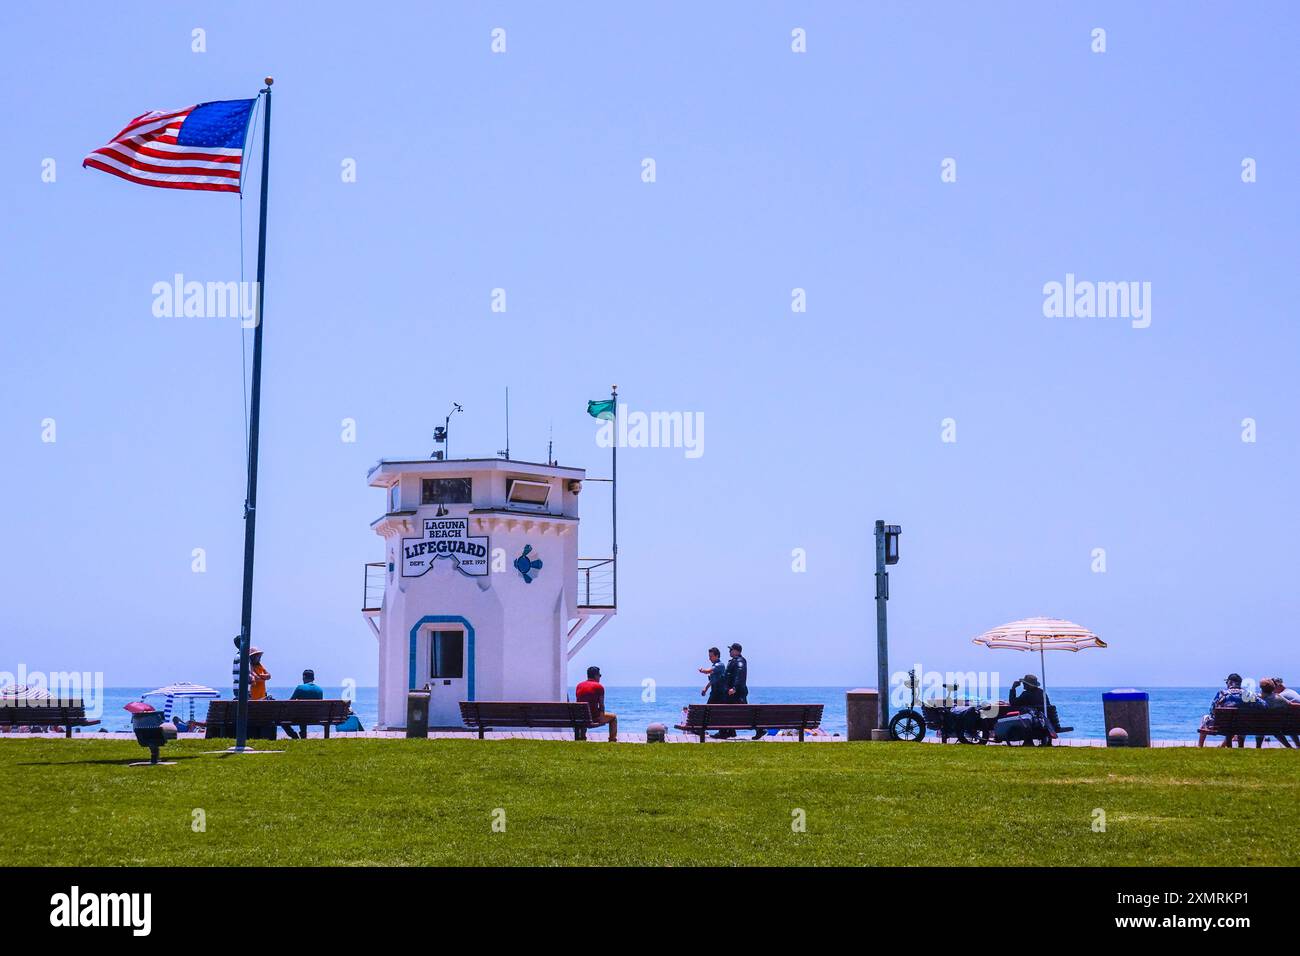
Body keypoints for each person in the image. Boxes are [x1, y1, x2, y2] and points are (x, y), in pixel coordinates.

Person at [1198, 673, 1251, 748]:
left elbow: (1212, 710)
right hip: (1243, 726)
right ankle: (1223, 746)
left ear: (1230, 682)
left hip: (1222, 725)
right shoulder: (1248, 694)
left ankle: (1200, 746)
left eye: (1227, 682)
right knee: (1237, 722)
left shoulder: (1222, 693)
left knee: (1205, 717)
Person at [723, 643, 762, 740]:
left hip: (737, 693)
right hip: (732, 693)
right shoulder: (735, 661)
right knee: (728, 712)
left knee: (744, 714)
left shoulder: (740, 661)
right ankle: (729, 731)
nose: (729, 651)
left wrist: (734, 688)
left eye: (731, 649)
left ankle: (760, 729)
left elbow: (740, 675)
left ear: (736, 651)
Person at [575, 666, 617, 742]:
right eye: (599, 675)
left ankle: (582, 738)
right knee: (613, 718)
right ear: (595, 676)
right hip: (593, 717)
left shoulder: (579, 686)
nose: (600, 677)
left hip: (581, 717)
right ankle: (612, 740)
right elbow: (601, 705)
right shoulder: (599, 687)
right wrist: (601, 717)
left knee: (584, 714)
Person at [1008, 674, 1052, 746]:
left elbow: (1013, 703)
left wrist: (1013, 688)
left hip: (1034, 724)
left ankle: (1028, 741)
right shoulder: (1042, 693)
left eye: (1024, 683)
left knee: (1025, 717)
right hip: (1044, 722)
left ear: (1028, 685)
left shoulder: (1026, 694)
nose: (1023, 685)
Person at [281, 669, 324, 740]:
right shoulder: (320, 690)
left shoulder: (300, 688)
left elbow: (290, 702)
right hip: (315, 717)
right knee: (304, 713)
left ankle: (294, 735)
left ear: (304, 677)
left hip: (300, 717)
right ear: (313, 678)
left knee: (284, 720)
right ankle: (303, 734)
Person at [1272, 677, 1300, 748]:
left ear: (1278, 686)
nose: (1272, 690)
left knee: (1274, 728)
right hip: (1296, 723)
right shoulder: (1292, 691)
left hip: (1294, 723)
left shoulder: (1282, 695)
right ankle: (1298, 745)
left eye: (1272, 687)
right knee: (1290, 725)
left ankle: (1288, 747)